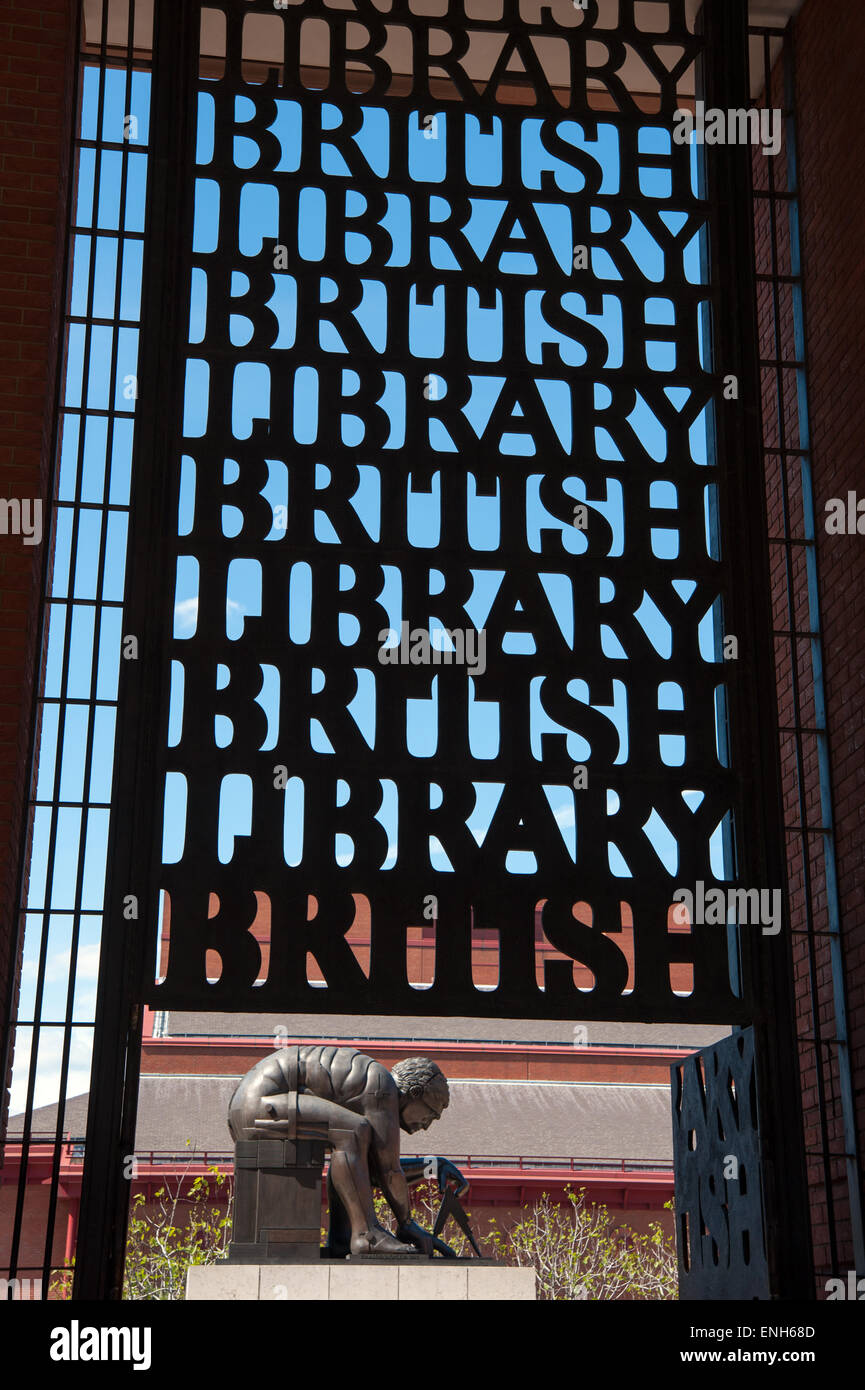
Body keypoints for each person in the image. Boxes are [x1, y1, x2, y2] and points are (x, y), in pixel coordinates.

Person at [228, 1043, 467, 1256]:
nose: (426, 1125)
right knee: (351, 1131)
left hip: (253, 1105)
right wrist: (406, 1223)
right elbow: (388, 1170)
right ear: (415, 1093)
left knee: (350, 1141)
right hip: (259, 1104)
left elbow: (367, 1171)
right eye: (430, 1115)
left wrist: (433, 1166)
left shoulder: (375, 1084)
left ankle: (343, 1238)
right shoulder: (382, 1087)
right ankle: (367, 1236)